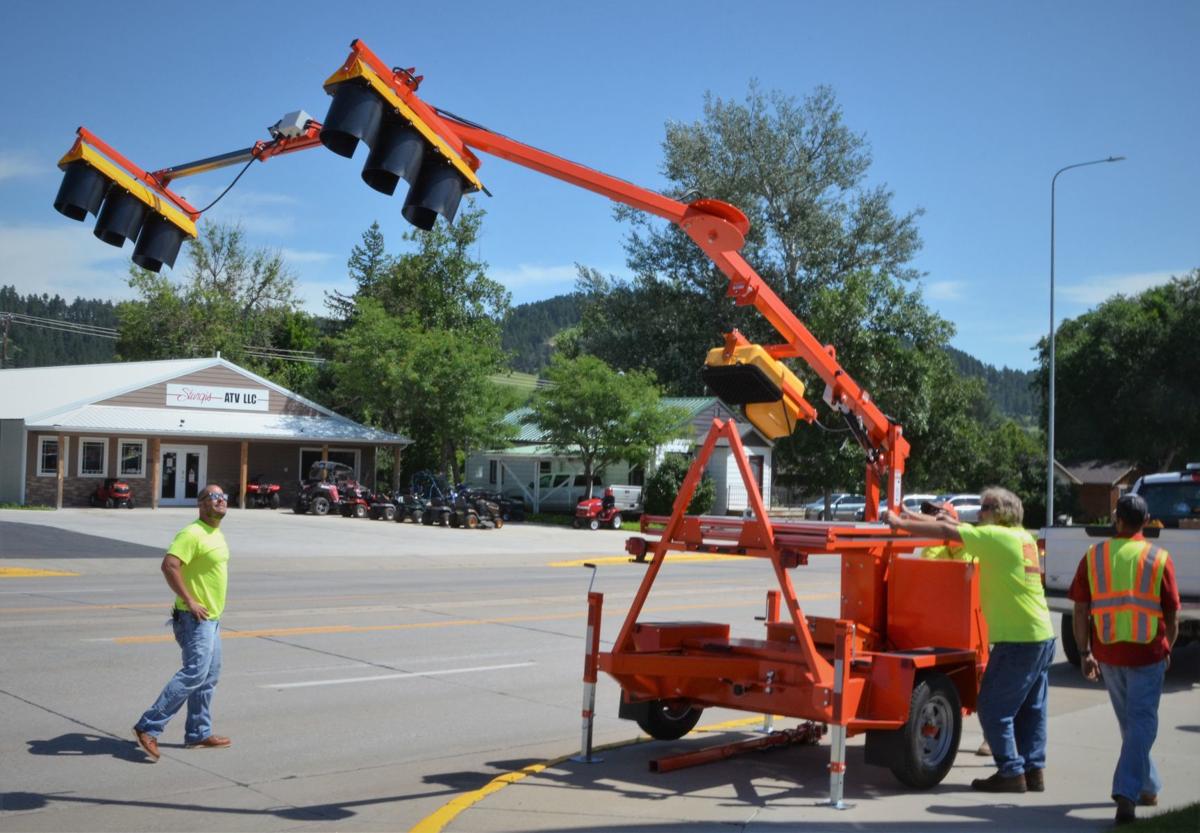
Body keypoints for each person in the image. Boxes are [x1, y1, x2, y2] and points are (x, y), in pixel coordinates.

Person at [887, 487, 1055, 793]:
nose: (979, 513)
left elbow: (945, 530)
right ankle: (1033, 770)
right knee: (1032, 709)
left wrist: (898, 523)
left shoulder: (996, 537)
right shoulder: (1022, 538)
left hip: (1018, 639)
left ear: (1001, 512)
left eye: (985, 507)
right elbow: (949, 526)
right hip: (1041, 635)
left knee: (992, 707)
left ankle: (1010, 772)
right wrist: (910, 516)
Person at [1068, 493, 1179, 825]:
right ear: (1146, 522)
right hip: (1147, 653)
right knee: (1141, 725)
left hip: (1109, 653)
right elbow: (1172, 613)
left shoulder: (1094, 556)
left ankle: (1147, 785)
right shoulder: (1158, 558)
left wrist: (1085, 652)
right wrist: (1168, 647)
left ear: (1116, 519)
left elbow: (1080, 609)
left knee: (1133, 727)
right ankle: (1127, 793)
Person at [133, 484, 233, 762]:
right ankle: (148, 727)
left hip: (211, 619)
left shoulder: (216, 533)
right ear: (200, 504)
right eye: (214, 496)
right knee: (194, 674)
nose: (221, 500)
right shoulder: (191, 533)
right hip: (194, 619)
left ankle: (198, 733)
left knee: (208, 678)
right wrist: (189, 600)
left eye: (224, 496)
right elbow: (169, 565)